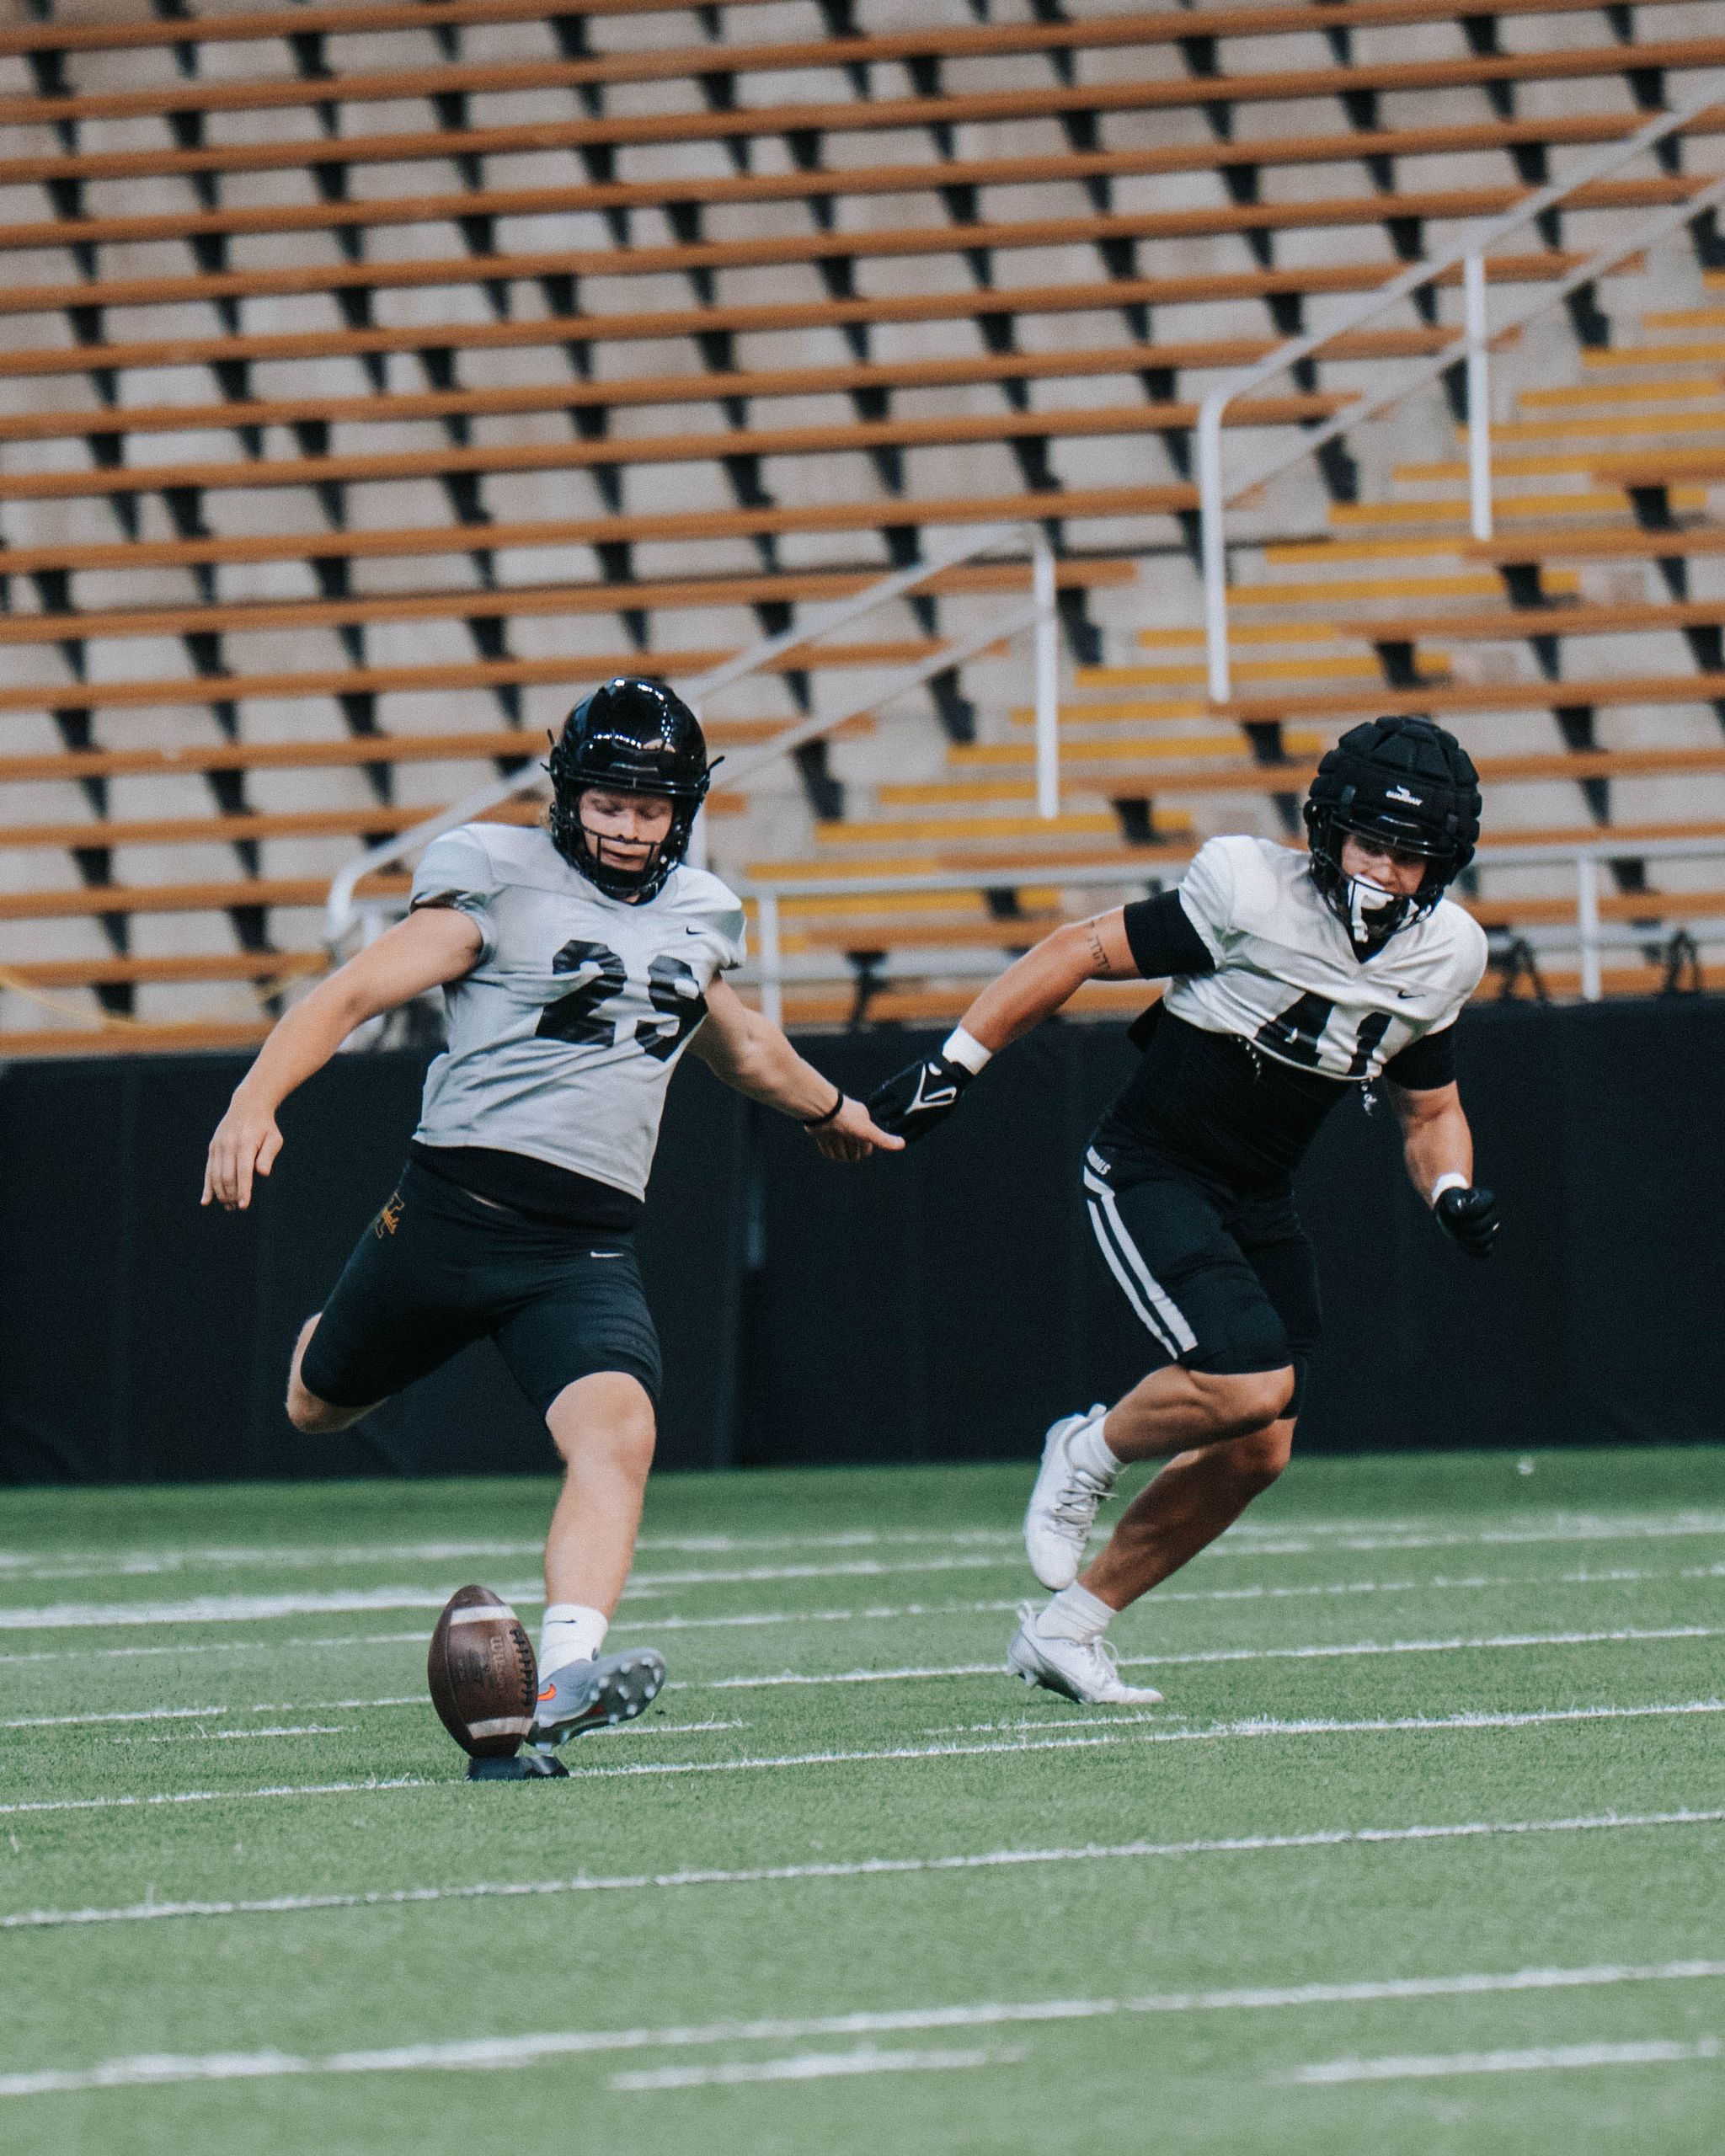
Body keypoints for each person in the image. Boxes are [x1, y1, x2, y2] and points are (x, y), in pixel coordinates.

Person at [204, 677, 900, 1764]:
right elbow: (347, 996)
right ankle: (328, 1328)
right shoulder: (494, 880)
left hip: (580, 1248)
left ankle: (569, 1667)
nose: (626, 828)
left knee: (619, 1432)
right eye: (608, 804)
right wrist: (255, 1100)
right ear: (568, 796)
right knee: (314, 1405)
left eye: (650, 808)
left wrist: (832, 1108)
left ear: (683, 811)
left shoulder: (700, 914)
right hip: (448, 1217)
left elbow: (743, 1046)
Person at [868, 715, 1499, 1707]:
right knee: (1246, 1382)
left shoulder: (1445, 955)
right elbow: (1077, 947)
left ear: (1443, 864)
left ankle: (1069, 1630)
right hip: (1151, 1166)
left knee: (1260, 1445)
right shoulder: (1248, 888)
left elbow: (1429, 1109)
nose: (1383, 871)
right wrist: (955, 1062)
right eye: (1370, 843)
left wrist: (1449, 1187)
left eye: (1409, 855)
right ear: (1327, 829)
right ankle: (1084, 1448)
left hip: (1257, 1194)